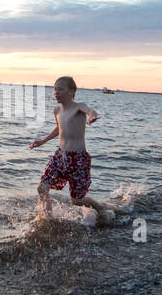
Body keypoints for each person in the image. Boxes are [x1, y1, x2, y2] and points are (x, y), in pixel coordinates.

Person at [29, 76, 114, 220]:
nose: (56, 92)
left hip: (78, 159)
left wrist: (92, 117)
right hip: (60, 156)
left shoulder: (78, 107)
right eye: (55, 89)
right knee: (42, 188)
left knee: (77, 200)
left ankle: (100, 208)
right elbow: (59, 129)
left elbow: (91, 111)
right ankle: (47, 218)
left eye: (60, 89)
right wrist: (42, 141)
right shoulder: (56, 110)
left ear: (72, 91)